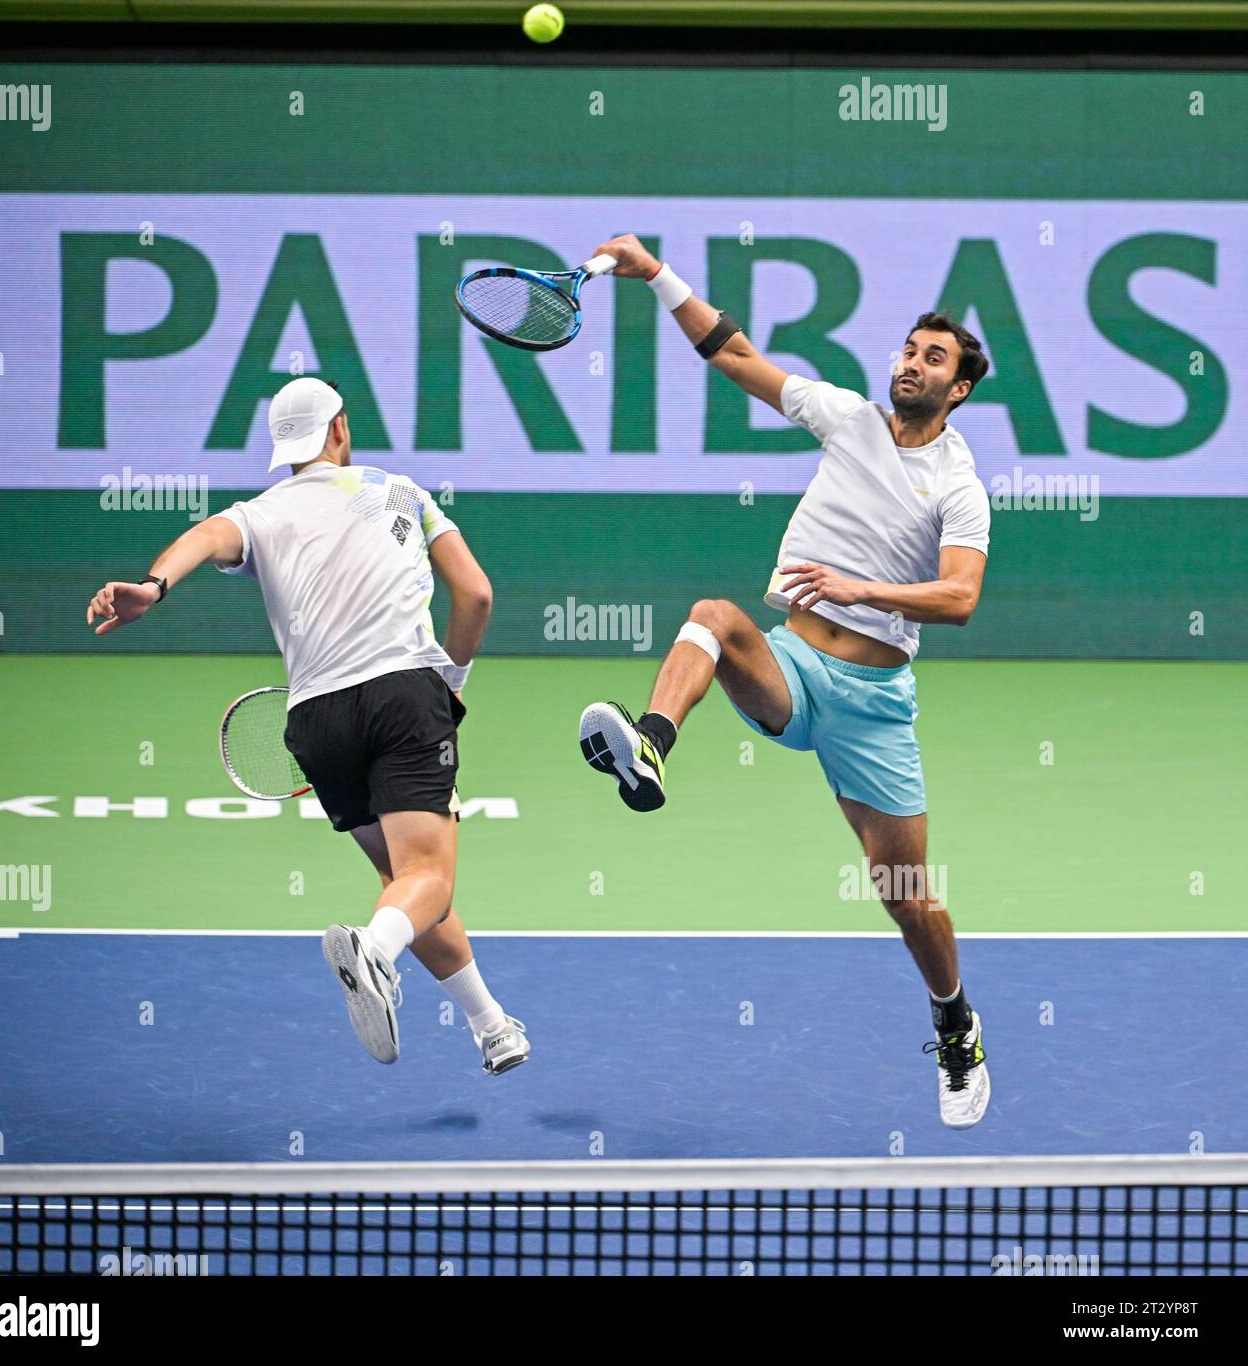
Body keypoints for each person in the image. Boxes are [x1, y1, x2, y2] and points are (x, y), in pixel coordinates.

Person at [578, 236, 991, 1127]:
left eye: (934, 359)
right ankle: (651, 744)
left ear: (959, 389)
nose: (913, 365)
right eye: (910, 351)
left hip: (875, 707)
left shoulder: (960, 483)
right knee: (716, 616)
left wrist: (861, 587)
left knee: (906, 895)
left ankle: (955, 1022)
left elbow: (959, 597)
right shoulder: (846, 416)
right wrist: (657, 275)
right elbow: (733, 353)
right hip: (793, 668)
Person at [85, 376, 529, 1076]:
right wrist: (453, 681)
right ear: (341, 430)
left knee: (403, 886)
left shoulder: (256, 512)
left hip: (316, 719)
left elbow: (205, 536)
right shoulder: (403, 492)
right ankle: (374, 953)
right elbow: (475, 593)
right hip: (402, 692)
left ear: (282, 450)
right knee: (428, 882)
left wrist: (153, 588)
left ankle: (491, 1024)